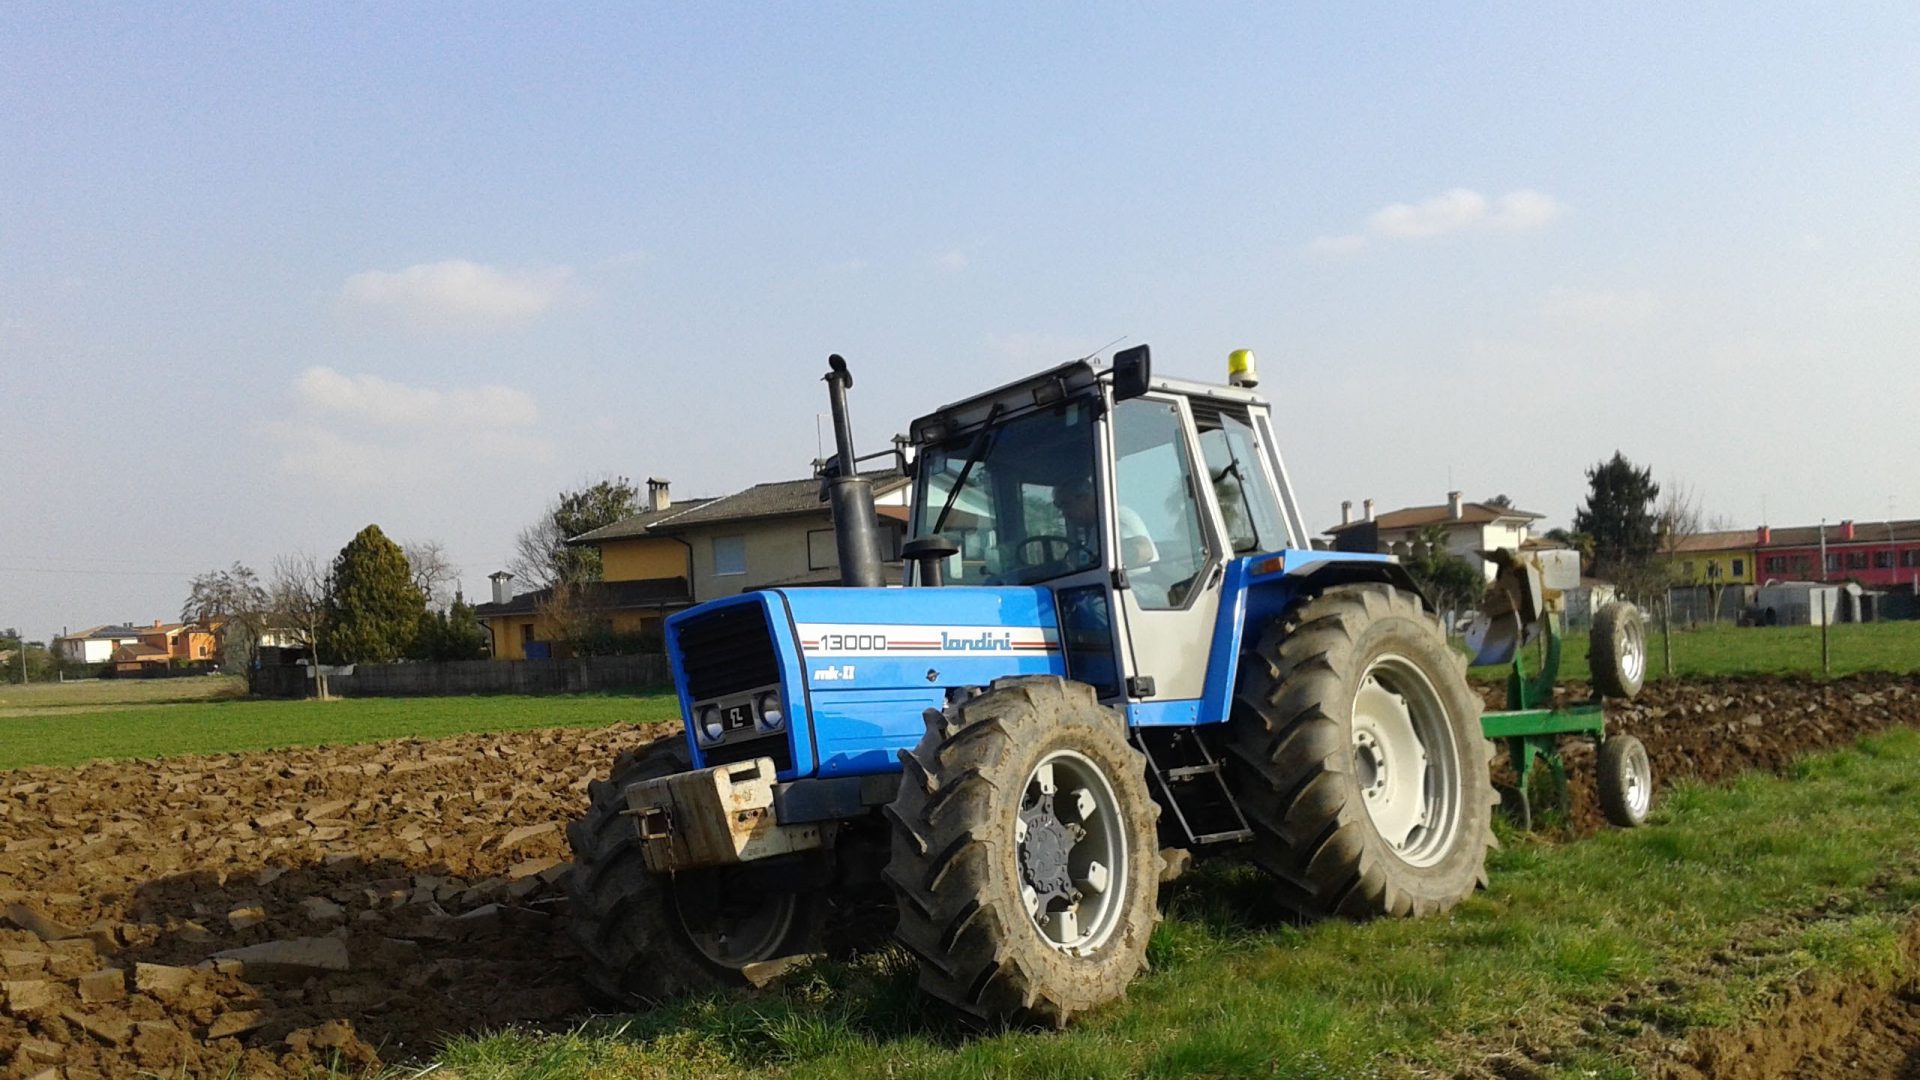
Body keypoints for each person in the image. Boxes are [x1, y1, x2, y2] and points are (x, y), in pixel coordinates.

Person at [1053, 478, 1158, 569]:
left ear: (1085, 498)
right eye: (1060, 507)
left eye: (1066, 505)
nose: (1064, 513)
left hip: (1135, 583)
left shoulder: (1114, 516)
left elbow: (1145, 550)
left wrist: (1100, 563)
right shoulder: (1096, 528)